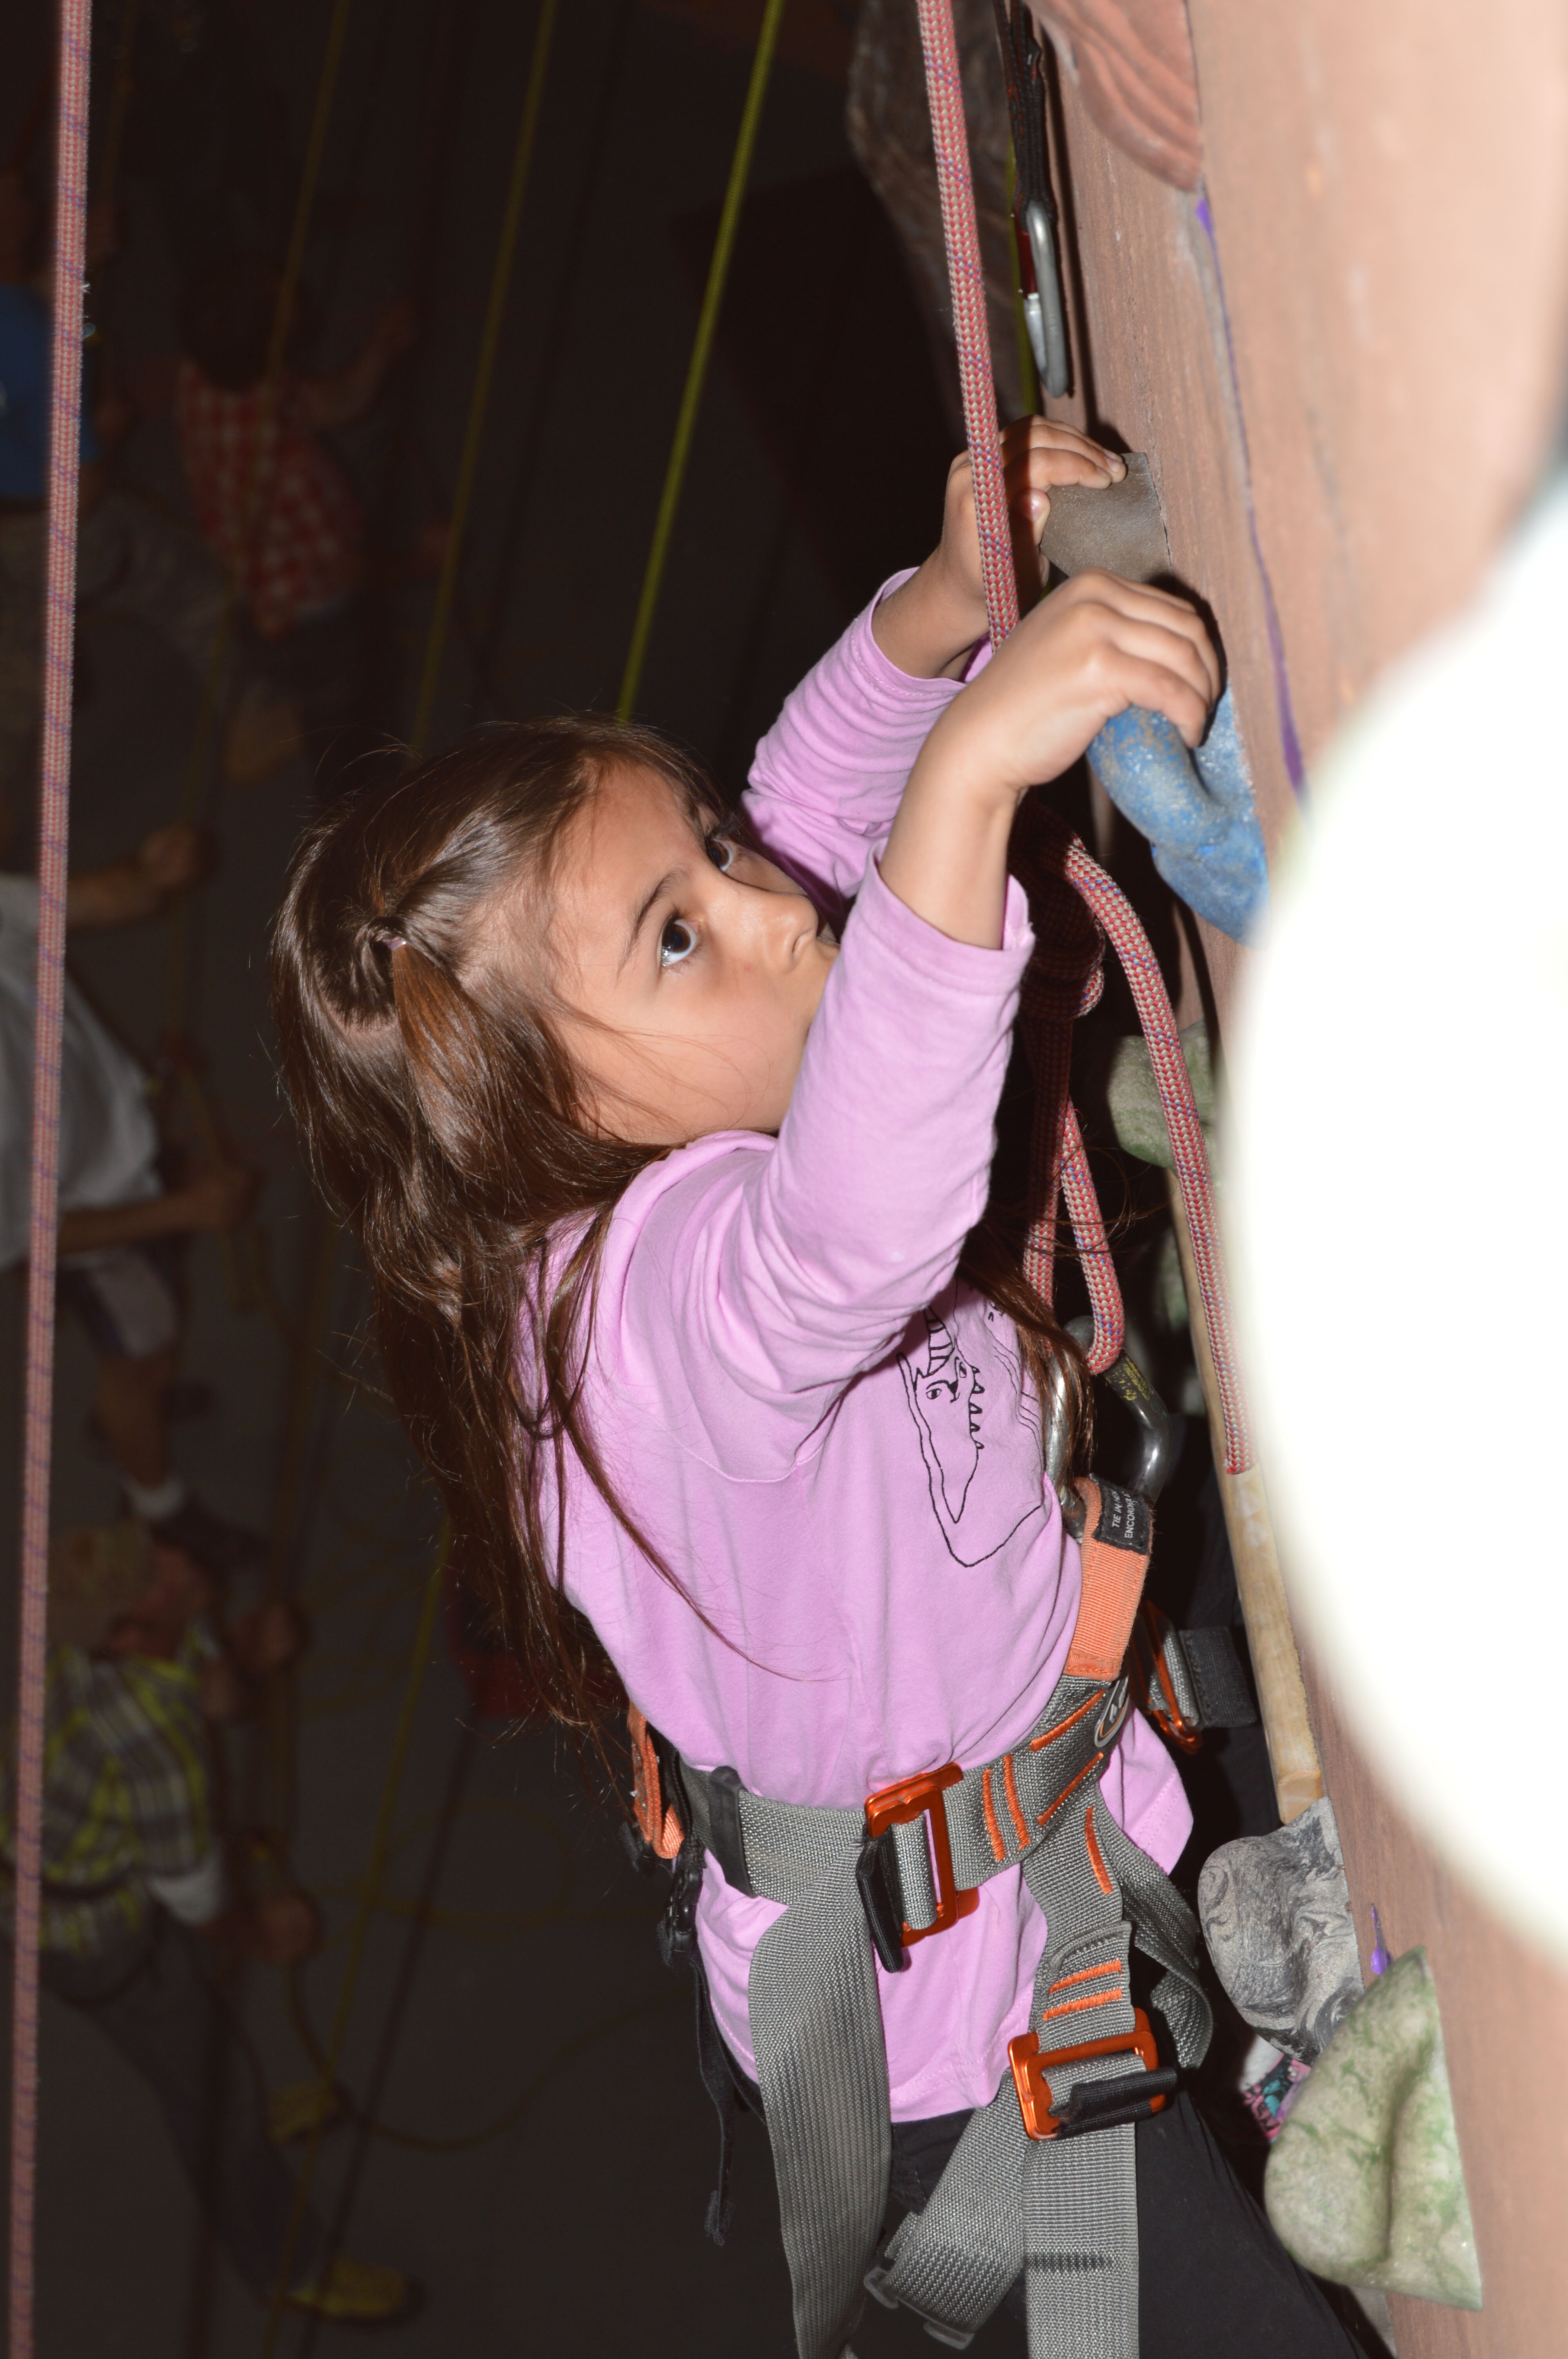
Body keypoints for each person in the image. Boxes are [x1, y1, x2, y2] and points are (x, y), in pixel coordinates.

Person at [268, 421, 1362, 2355]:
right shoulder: (633, 1319)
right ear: (558, 1124)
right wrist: (971, 765)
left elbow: (796, 813)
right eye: (677, 936)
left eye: (697, 854)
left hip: (1067, 1736)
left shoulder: (635, 1131)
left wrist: (936, 617)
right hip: (961, 2046)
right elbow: (854, 1218)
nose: (770, 904)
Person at [0, 1517, 416, 2325]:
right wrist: (267, 1933)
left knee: (199, 2040)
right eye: (157, 1571)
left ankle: (225, 2086)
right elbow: (197, 1903)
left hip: (70, 1869)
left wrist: (247, 1662)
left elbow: (210, 1684)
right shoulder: (153, 1746)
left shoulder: (110, 1646)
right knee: (208, 2095)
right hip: (97, 1938)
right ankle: (285, 2264)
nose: (177, 1555)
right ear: (130, 1625)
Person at [0, 821, 261, 1575]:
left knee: (158, 1327)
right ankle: (159, 1504)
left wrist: (153, 871)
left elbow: (103, 900)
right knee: (139, 1357)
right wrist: (188, 1212)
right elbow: (33, 1239)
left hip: (124, 1149)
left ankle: (130, 1413)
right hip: (99, 1222)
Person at [0, 168, 227, 840]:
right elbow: (85, 486)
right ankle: (255, 713)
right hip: (44, 525)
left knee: (21, 662)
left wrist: (78, 264)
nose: (31, 202)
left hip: (7, 521)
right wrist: (113, 428)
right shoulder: (35, 344)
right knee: (193, 585)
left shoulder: (17, 317)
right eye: (14, 194)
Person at [174, 254, 416, 796]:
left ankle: (285, 715)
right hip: (316, 621)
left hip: (255, 588)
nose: (294, 292)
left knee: (322, 694)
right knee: (352, 739)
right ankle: (357, 836)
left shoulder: (201, 378)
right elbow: (347, 571)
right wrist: (424, 560)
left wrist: (379, 351)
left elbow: (326, 402)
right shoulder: (292, 477)